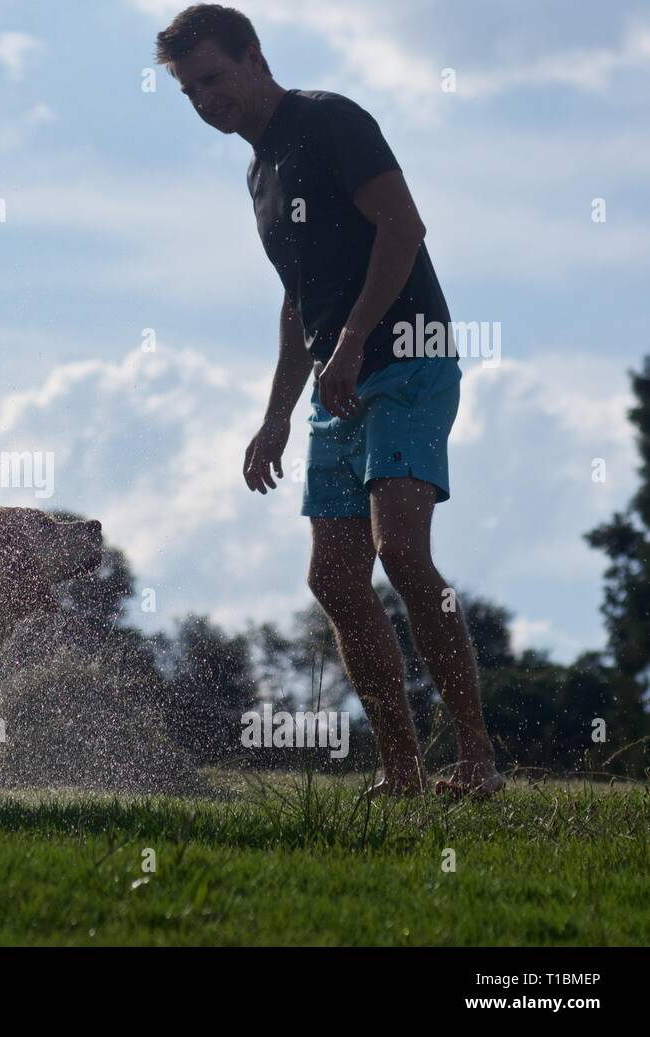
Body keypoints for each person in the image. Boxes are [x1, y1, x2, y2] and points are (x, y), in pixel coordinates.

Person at [155, 4, 504, 796]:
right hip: (336, 385)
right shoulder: (258, 173)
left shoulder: (329, 120)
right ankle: (403, 771)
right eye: (190, 93)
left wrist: (349, 347)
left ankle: (477, 759)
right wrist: (276, 412)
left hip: (408, 359)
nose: (208, 101)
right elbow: (296, 298)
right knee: (336, 579)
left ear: (252, 58)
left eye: (213, 79)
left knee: (402, 554)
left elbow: (403, 227)